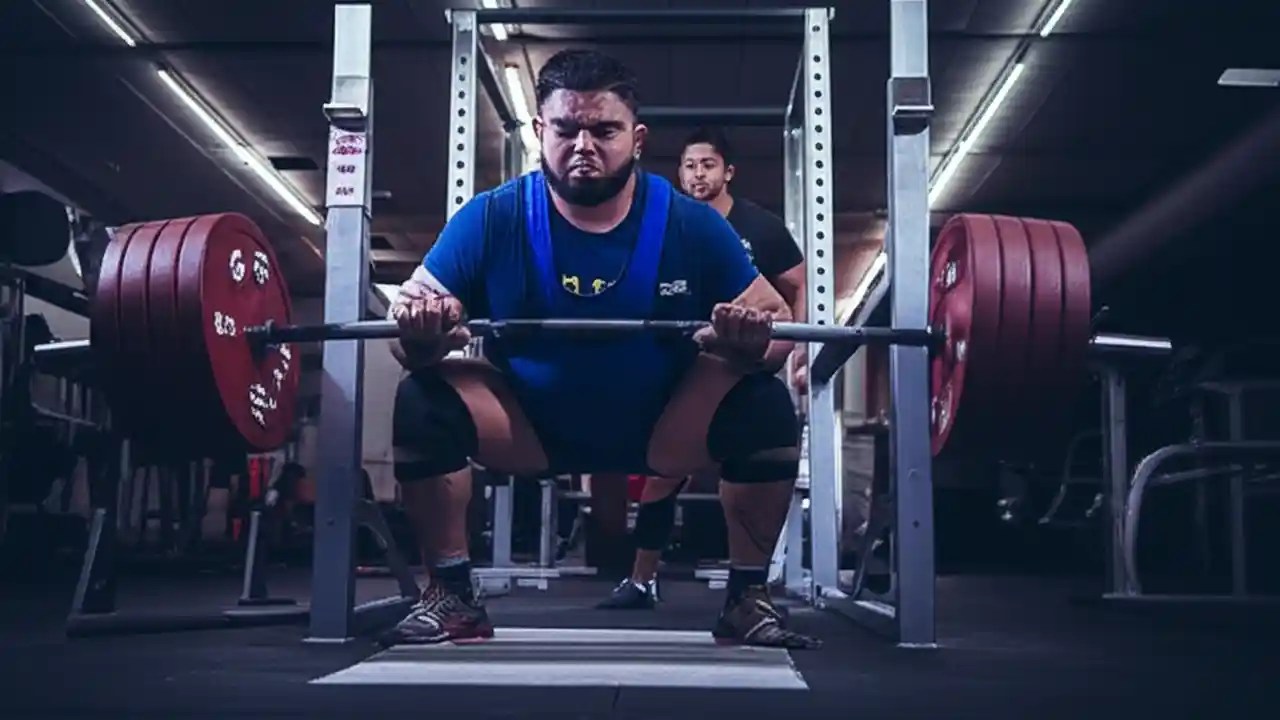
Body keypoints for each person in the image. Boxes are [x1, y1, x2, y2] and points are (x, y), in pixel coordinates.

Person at [380, 49, 819, 650]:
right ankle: (452, 593)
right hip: (528, 425)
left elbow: (777, 323)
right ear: (540, 132)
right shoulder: (491, 218)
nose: (583, 144)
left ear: (636, 138)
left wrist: (753, 343)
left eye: (604, 130)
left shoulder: (690, 224)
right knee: (423, 398)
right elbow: (413, 315)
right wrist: (421, 331)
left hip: (663, 428)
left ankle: (747, 599)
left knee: (765, 404)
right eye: (566, 128)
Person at [595, 127, 807, 611]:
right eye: (689, 166)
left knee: (752, 464)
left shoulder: (762, 226)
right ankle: (642, 580)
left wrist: (797, 350)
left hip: (744, 364)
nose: (697, 174)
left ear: (728, 172)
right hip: (686, 363)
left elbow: (798, 287)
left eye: (707, 165)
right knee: (662, 474)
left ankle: (747, 589)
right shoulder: (672, 223)